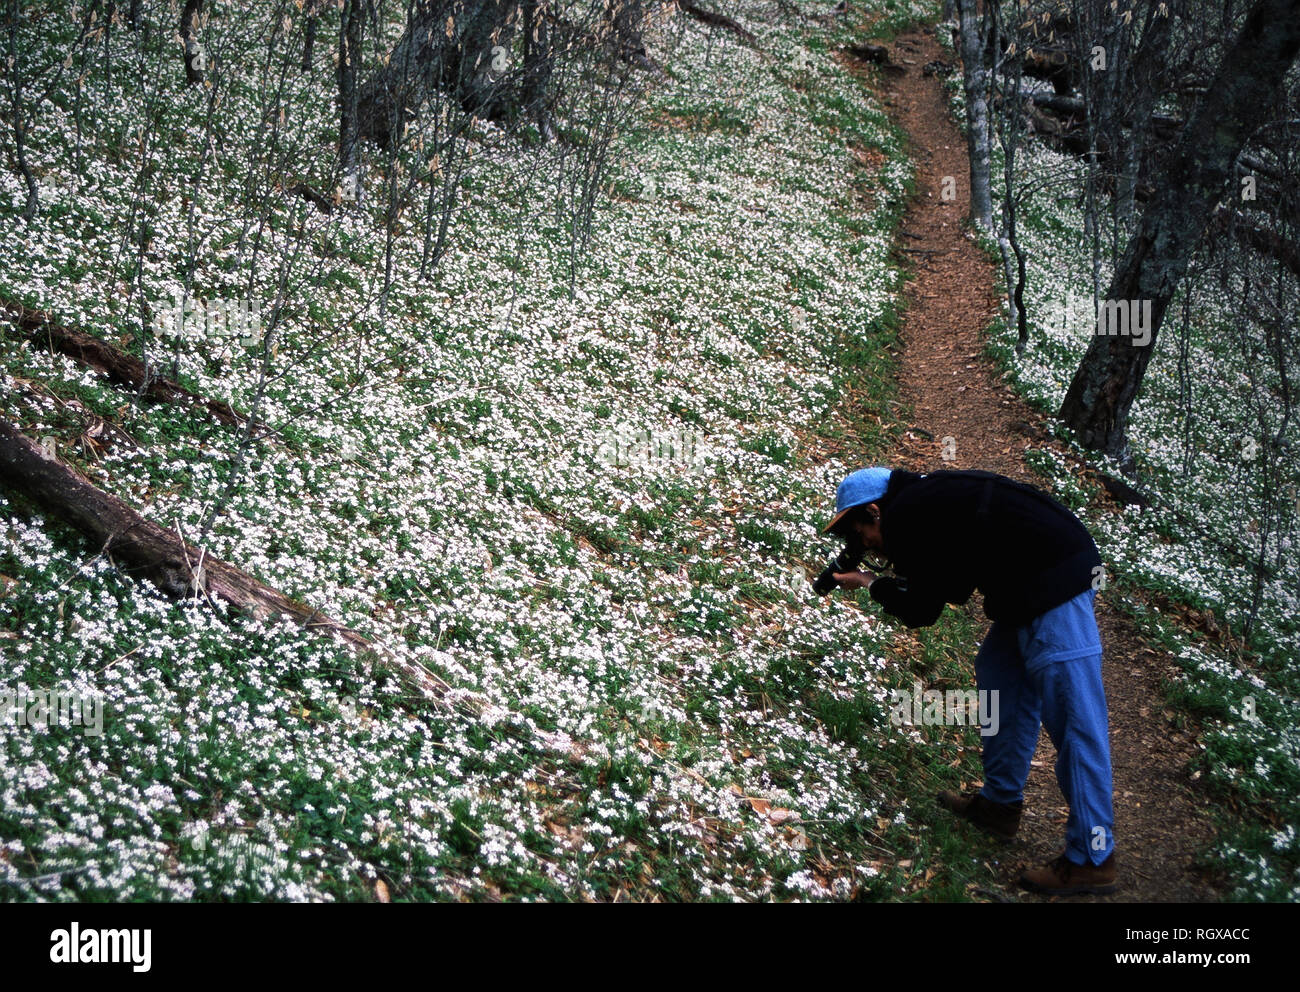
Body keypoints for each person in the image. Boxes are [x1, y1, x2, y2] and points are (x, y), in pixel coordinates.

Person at [823, 465, 1117, 896]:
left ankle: (1094, 857)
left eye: (859, 531)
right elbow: (946, 582)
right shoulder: (923, 501)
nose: (863, 544)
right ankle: (999, 805)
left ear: (875, 510)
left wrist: (872, 584)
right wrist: (882, 580)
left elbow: (922, 610)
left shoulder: (908, 514)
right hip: (1025, 584)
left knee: (1076, 720)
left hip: (1057, 581)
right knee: (1000, 677)